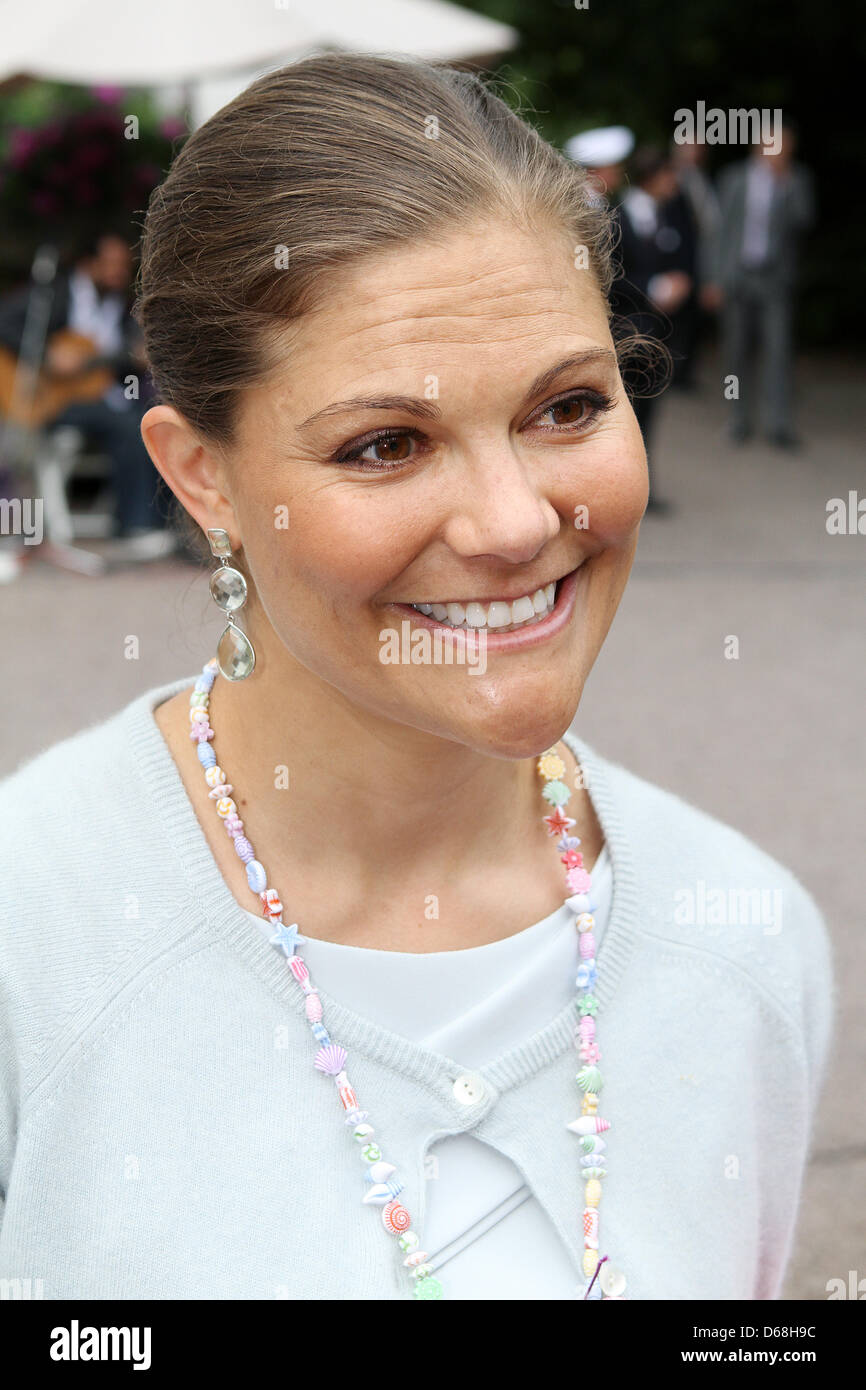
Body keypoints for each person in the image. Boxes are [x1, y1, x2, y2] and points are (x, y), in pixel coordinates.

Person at [0, 55, 833, 1301]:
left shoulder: (749, 944)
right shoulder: (35, 936)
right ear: (199, 477)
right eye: (385, 444)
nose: (509, 523)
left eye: (565, 407)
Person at [0, 231, 173, 557]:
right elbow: (4, 322)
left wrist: (136, 357)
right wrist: (48, 356)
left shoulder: (122, 307)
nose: (118, 273)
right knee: (126, 424)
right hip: (51, 400)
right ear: (88, 263)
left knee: (150, 418)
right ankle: (134, 526)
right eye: (111, 264)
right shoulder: (53, 295)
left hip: (102, 396)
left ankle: (157, 522)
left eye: (123, 266)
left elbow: (124, 359)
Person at [707, 123, 815, 447]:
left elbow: (804, 220)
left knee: (778, 351)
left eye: (785, 147)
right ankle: (738, 420)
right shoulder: (733, 178)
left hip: (775, 280)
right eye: (774, 146)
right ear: (759, 147)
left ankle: (778, 424)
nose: (780, 153)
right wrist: (714, 278)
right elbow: (719, 232)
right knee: (736, 351)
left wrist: (784, 183)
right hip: (737, 276)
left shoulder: (798, 179)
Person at [609, 147, 693, 512]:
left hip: (658, 331)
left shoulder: (667, 215)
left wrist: (679, 283)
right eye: (669, 177)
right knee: (622, 411)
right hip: (625, 329)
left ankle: (642, 486)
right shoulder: (614, 217)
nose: (674, 184)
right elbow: (610, 275)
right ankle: (617, 488)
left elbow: (679, 258)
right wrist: (654, 288)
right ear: (653, 177)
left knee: (650, 412)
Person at [668, 137, 720, 387]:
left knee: (692, 318)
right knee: (677, 317)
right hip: (678, 258)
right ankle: (674, 372)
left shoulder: (702, 179)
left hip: (701, 256)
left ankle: (684, 372)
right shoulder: (673, 179)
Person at [564, 124, 634, 207]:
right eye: (614, 171)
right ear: (594, 171)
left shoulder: (598, 200)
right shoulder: (585, 204)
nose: (619, 176)